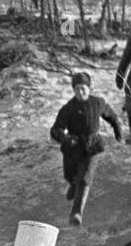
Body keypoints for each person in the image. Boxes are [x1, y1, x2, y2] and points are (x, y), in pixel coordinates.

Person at [49, 72, 122, 226]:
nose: (80, 93)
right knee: (70, 174)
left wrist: (118, 134)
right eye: (76, 89)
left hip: (93, 145)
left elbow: (112, 117)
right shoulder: (68, 108)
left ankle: (76, 213)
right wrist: (65, 138)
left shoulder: (98, 103)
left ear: (89, 88)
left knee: (85, 178)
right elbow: (56, 129)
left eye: (83, 89)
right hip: (74, 146)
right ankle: (73, 183)